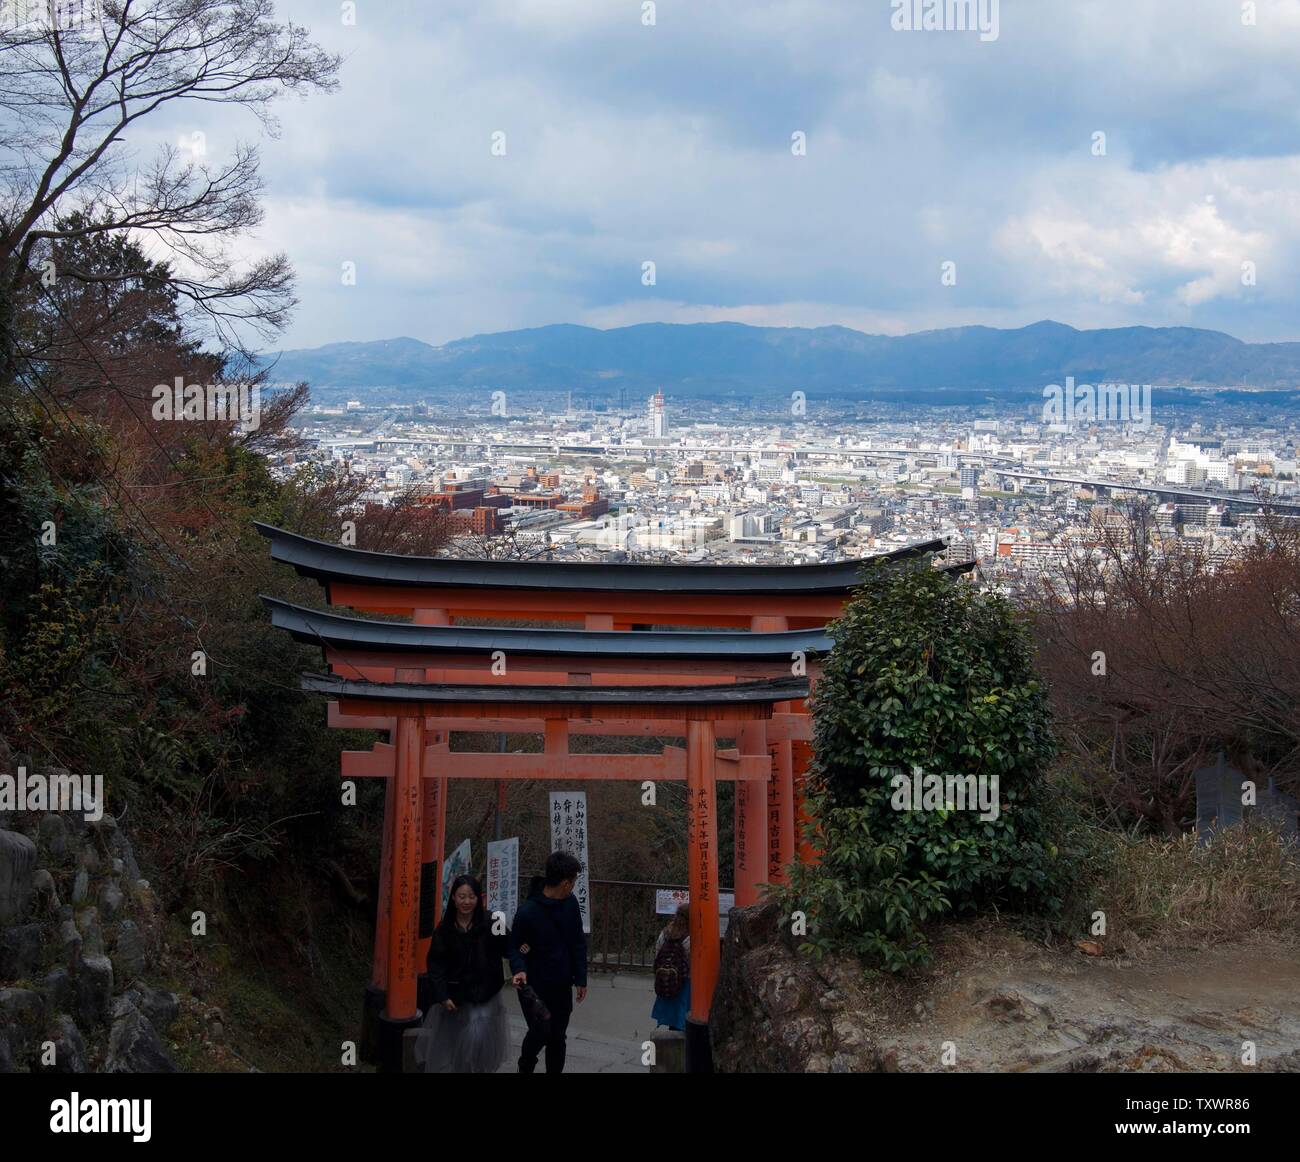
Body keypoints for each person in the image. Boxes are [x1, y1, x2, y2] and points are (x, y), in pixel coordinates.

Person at [414, 874, 509, 1073]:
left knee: (480, 1041)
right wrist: (442, 995)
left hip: (486, 994)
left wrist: (521, 963)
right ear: (454, 898)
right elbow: (436, 964)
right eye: (462, 896)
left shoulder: (494, 921)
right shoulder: (444, 928)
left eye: (471, 897)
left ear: (479, 898)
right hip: (457, 997)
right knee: (456, 1045)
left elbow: (511, 946)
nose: (466, 902)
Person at [508, 850, 588, 1073]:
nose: (573, 886)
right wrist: (519, 969)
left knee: (557, 1037)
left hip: (561, 984)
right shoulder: (527, 912)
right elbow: (514, 946)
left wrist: (581, 977)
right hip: (535, 986)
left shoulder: (570, 904)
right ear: (564, 883)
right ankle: (526, 1064)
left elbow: (578, 942)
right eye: (573, 881)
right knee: (541, 1030)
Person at [651, 904, 691, 1031]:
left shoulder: (666, 932)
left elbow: (657, 953)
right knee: (683, 1013)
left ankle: (672, 1032)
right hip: (685, 981)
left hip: (667, 978)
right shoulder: (691, 937)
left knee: (672, 1016)